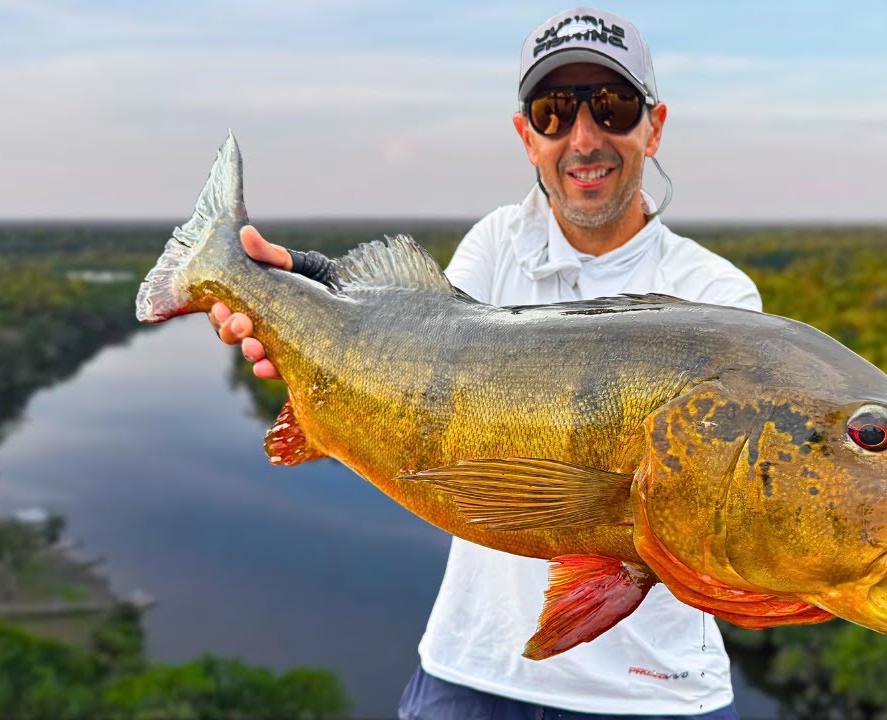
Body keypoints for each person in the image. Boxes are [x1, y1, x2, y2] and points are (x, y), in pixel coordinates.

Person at [209, 7, 761, 719]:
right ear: (527, 136)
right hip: (473, 671)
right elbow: (421, 350)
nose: (584, 137)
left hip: (657, 693)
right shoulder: (499, 241)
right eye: (554, 112)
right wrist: (308, 296)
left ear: (653, 127)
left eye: (612, 107)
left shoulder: (719, 300)